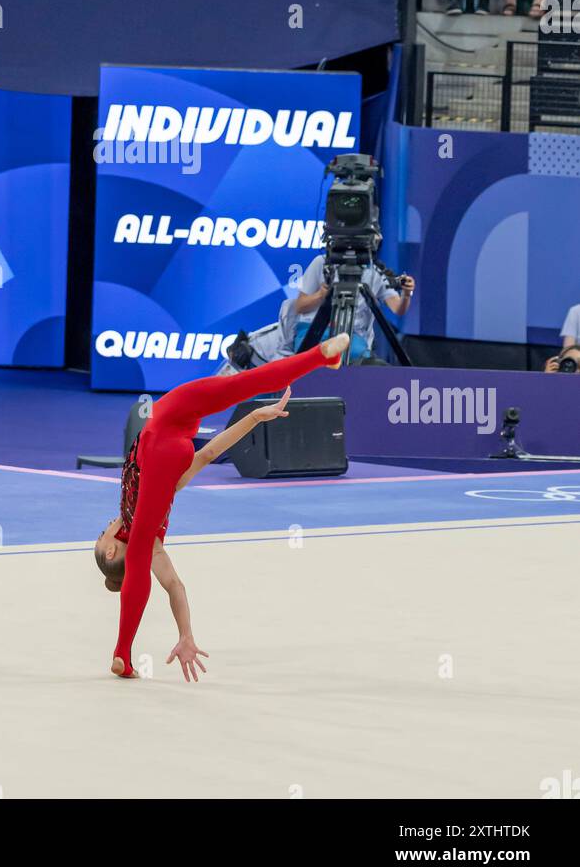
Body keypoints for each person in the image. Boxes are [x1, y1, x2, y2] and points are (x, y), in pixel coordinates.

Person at [95, 333, 350, 678]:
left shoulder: (154, 519)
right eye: (101, 537)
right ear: (111, 551)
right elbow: (152, 570)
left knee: (244, 384)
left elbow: (209, 454)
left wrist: (256, 418)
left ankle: (322, 357)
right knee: (244, 383)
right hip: (167, 422)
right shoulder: (142, 534)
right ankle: (121, 653)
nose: (104, 528)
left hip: (177, 439)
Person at [289, 258, 414, 364]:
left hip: (355, 340)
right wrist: (321, 295)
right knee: (315, 357)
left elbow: (398, 309)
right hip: (314, 332)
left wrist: (406, 294)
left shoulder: (376, 272)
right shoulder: (321, 262)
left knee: (359, 355)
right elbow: (300, 306)